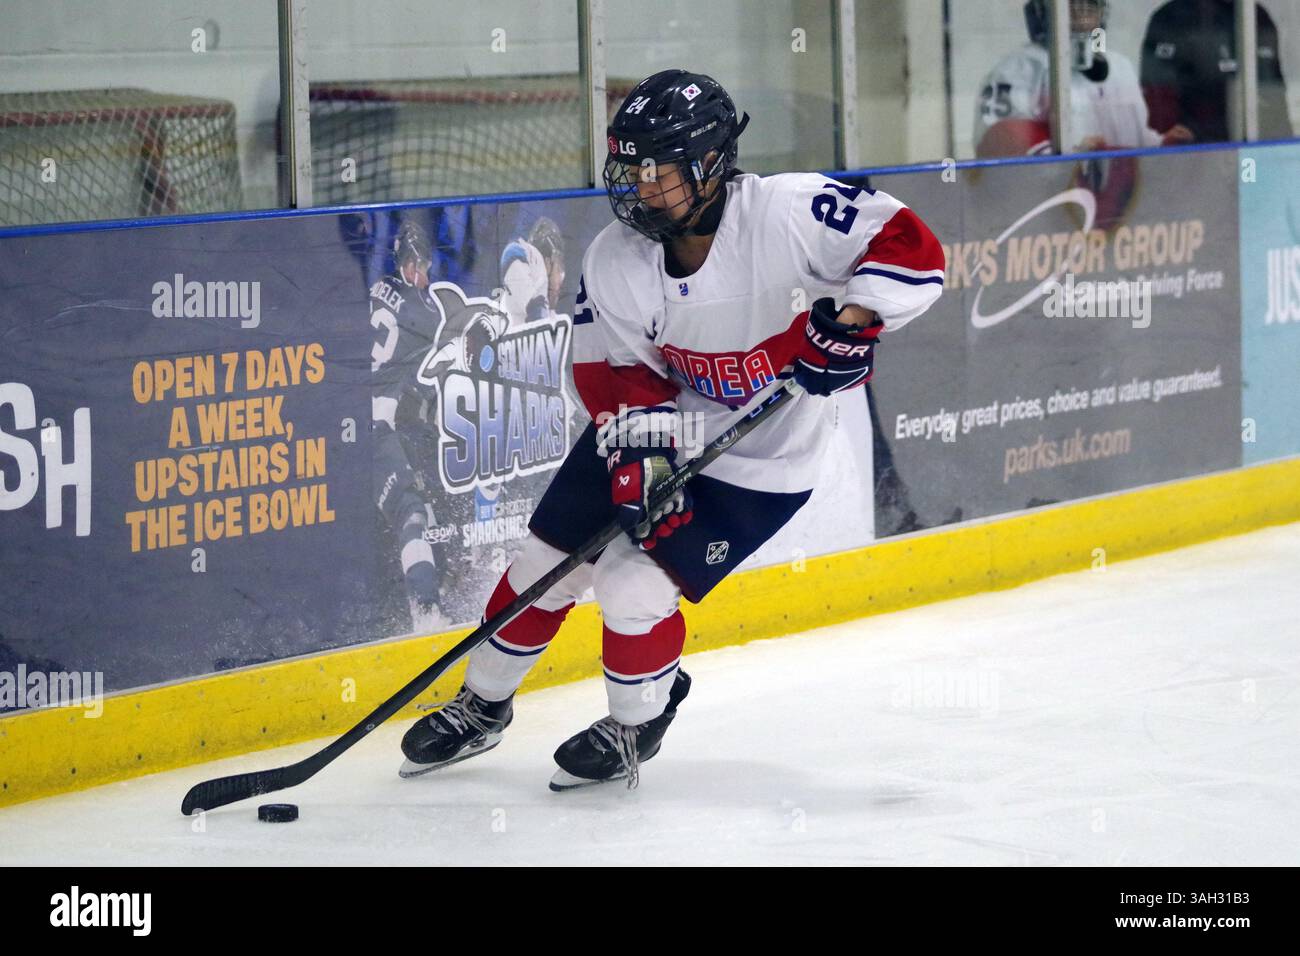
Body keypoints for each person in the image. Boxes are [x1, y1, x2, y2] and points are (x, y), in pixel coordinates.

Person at [399, 69, 945, 790]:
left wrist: (850, 325)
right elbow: (615, 373)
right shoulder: (616, 259)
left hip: (762, 463)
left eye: (659, 170)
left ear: (713, 164)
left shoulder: (787, 213)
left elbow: (912, 246)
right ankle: (483, 705)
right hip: (653, 426)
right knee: (544, 565)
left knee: (630, 586)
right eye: (632, 168)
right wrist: (639, 457)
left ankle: (637, 721)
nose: (641, 186)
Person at [975, 0, 1191, 157]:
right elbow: (997, 143)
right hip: (1051, 202)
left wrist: (1160, 144)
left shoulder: (1120, 67)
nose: (1081, 12)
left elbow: (1134, 137)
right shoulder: (1017, 69)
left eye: (1090, 4)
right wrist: (1070, 157)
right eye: (1071, 4)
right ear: (1043, 9)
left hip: (1116, 202)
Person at [1141, 0, 1293, 144]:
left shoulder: (1255, 18)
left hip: (1254, 153)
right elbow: (1158, 104)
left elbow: (1276, 103)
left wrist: (1287, 157)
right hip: (1192, 157)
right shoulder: (1168, 20)